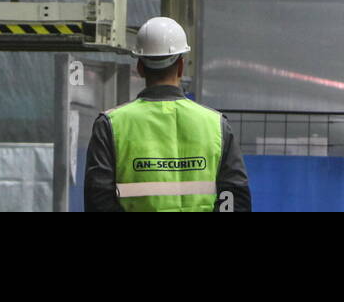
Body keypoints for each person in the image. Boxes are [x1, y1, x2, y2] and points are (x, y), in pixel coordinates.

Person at [84, 16, 250, 211]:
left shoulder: (110, 125)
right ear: (181, 65)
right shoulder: (216, 125)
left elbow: (98, 201)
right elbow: (235, 198)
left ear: (140, 67)